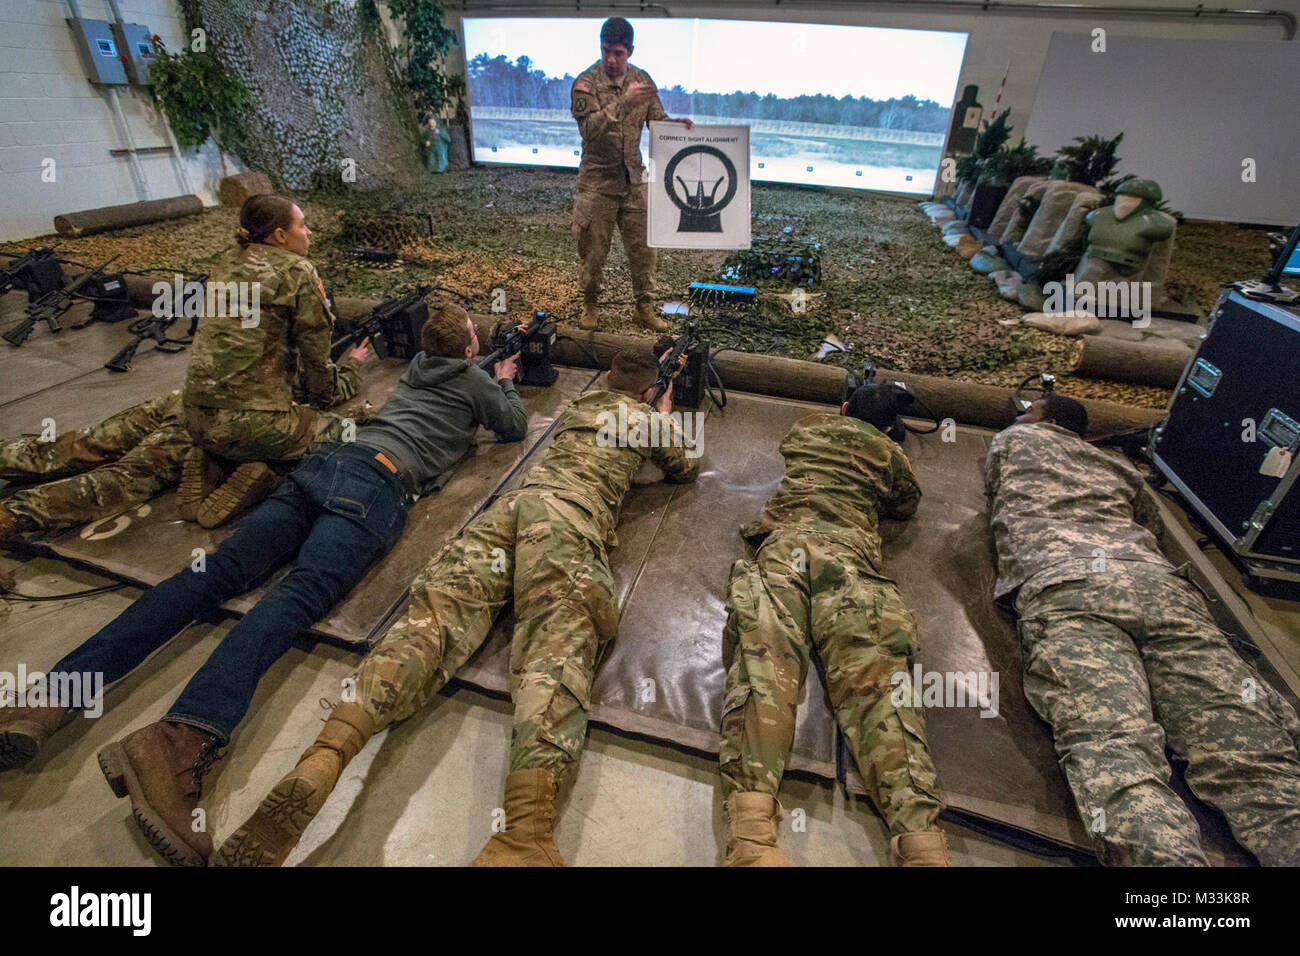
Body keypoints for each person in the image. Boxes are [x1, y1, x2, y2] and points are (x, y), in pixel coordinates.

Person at [0, 304, 528, 867]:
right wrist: (506, 383)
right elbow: (512, 426)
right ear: (473, 350)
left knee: (213, 575)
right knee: (293, 599)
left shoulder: (419, 367)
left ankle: (50, 696)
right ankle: (181, 738)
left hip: (326, 463)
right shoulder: (474, 378)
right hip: (377, 483)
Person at [214, 348, 700, 867]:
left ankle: (327, 753)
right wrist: (661, 416)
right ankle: (522, 835)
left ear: (605, 376)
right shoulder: (647, 418)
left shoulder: (579, 408)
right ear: (648, 393)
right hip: (567, 523)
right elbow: (685, 467)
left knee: (429, 625)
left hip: (508, 512)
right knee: (552, 655)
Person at [986, 394, 1300, 866]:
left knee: (1113, 748)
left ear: (1046, 420)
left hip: (1069, 583)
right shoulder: (1118, 467)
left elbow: (1000, 491)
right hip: (1160, 586)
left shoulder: (1016, 440)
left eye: (1028, 411)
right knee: (1248, 750)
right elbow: (1149, 523)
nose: (1020, 416)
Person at [718, 384, 950, 867]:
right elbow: (906, 502)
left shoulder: (807, 428)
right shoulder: (887, 451)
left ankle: (752, 842)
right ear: (891, 430)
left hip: (782, 547)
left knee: (763, 678)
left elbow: (795, 448)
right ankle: (923, 847)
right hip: (848, 559)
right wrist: (888, 449)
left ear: (843, 409)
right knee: (879, 687)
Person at [181, 194, 368, 528]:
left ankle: (212, 460)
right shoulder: (297, 270)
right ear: (280, 236)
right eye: (301, 224)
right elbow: (316, 362)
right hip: (249, 424)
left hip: (194, 416)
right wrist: (323, 405)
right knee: (345, 431)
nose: (309, 232)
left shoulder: (226, 261)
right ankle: (260, 476)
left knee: (260, 420)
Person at [571, 17, 693, 333]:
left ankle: (644, 308)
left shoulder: (642, 81)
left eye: (618, 53)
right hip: (598, 183)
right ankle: (590, 305)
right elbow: (589, 132)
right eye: (606, 51)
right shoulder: (585, 84)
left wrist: (678, 126)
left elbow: (658, 122)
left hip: (633, 181)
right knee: (594, 252)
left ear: (630, 51)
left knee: (644, 250)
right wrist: (621, 104)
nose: (611, 59)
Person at [0, 393, 189, 547]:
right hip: (206, 417)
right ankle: (11, 515)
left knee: (79, 446)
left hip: (189, 395)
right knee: (127, 480)